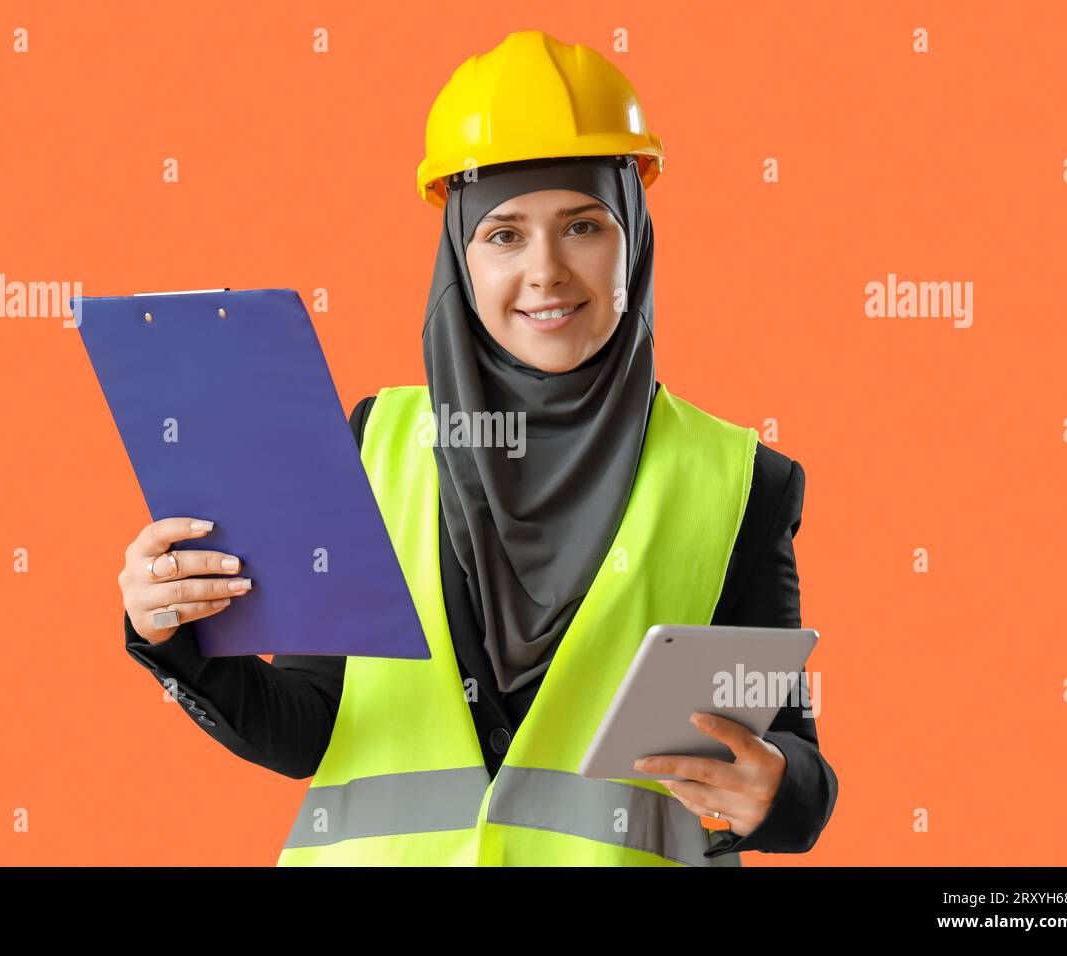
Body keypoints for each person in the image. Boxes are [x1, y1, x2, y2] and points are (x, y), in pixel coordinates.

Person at [117, 30, 837, 866]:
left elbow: (795, 762)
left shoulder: (741, 483)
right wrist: (169, 636)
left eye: (582, 226)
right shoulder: (375, 445)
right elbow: (311, 726)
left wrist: (776, 787)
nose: (546, 272)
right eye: (503, 235)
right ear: (460, 255)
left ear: (632, 240)